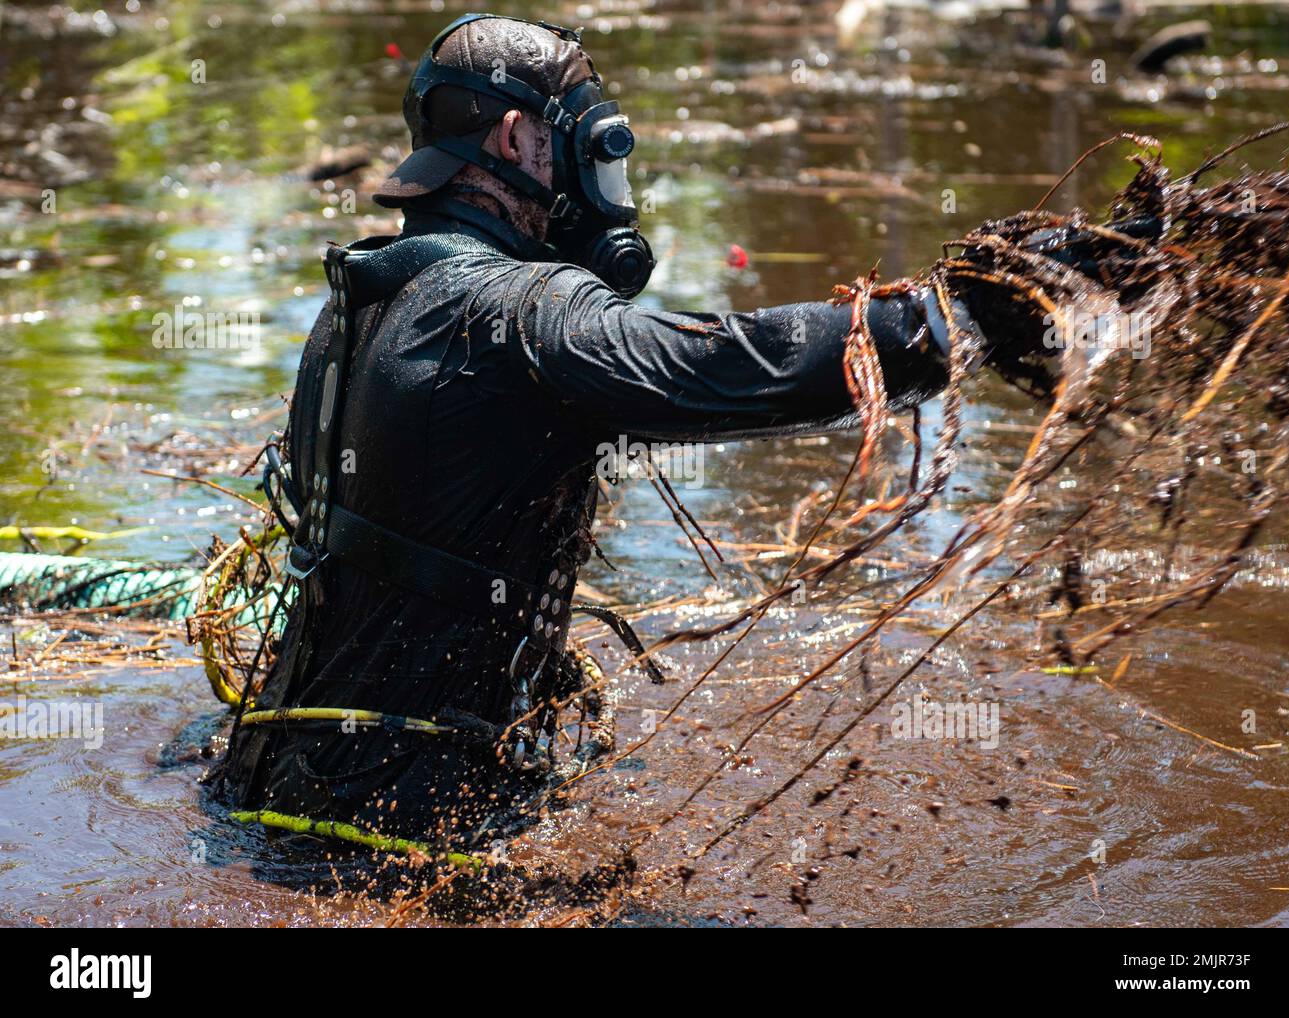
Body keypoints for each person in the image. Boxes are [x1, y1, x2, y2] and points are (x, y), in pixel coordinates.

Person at [219, 13, 1013, 852]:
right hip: (394, 835)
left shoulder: (362, 301)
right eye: (595, 152)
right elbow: (734, 367)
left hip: (275, 786)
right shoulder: (521, 312)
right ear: (519, 138)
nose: (606, 192)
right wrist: (976, 314)